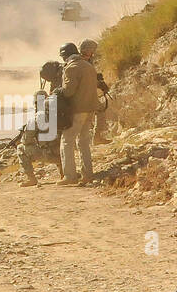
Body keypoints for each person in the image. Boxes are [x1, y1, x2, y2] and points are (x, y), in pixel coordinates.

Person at [56, 41, 99, 185]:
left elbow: (69, 92)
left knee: (67, 141)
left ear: (65, 56)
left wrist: (58, 91)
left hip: (78, 110)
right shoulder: (88, 66)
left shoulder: (71, 68)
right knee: (84, 141)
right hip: (91, 108)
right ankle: (88, 174)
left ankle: (70, 176)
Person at [14, 63, 62, 186]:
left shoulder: (37, 117)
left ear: (36, 103)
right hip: (61, 155)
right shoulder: (58, 113)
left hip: (48, 155)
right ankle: (63, 174)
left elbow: (26, 140)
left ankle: (31, 179)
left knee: (21, 149)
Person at [79, 38, 112, 144]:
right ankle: (95, 138)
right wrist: (99, 84)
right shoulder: (81, 62)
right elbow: (85, 79)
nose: (93, 52)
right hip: (81, 95)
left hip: (86, 93)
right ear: (86, 50)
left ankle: (96, 137)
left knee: (100, 109)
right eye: (92, 50)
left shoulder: (86, 60)